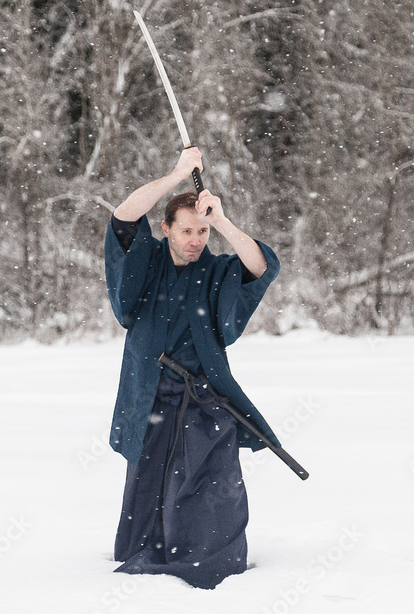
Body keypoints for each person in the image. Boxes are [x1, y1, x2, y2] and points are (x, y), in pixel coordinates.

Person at [103, 146, 281, 589]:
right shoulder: (146, 264)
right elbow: (123, 218)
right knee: (149, 489)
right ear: (166, 230)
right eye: (186, 230)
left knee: (211, 484)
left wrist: (221, 220)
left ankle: (209, 560)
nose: (195, 239)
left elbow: (262, 266)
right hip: (149, 396)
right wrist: (177, 175)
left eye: (202, 231)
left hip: (205, 401)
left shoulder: (217, 271)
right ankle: (152, 554)